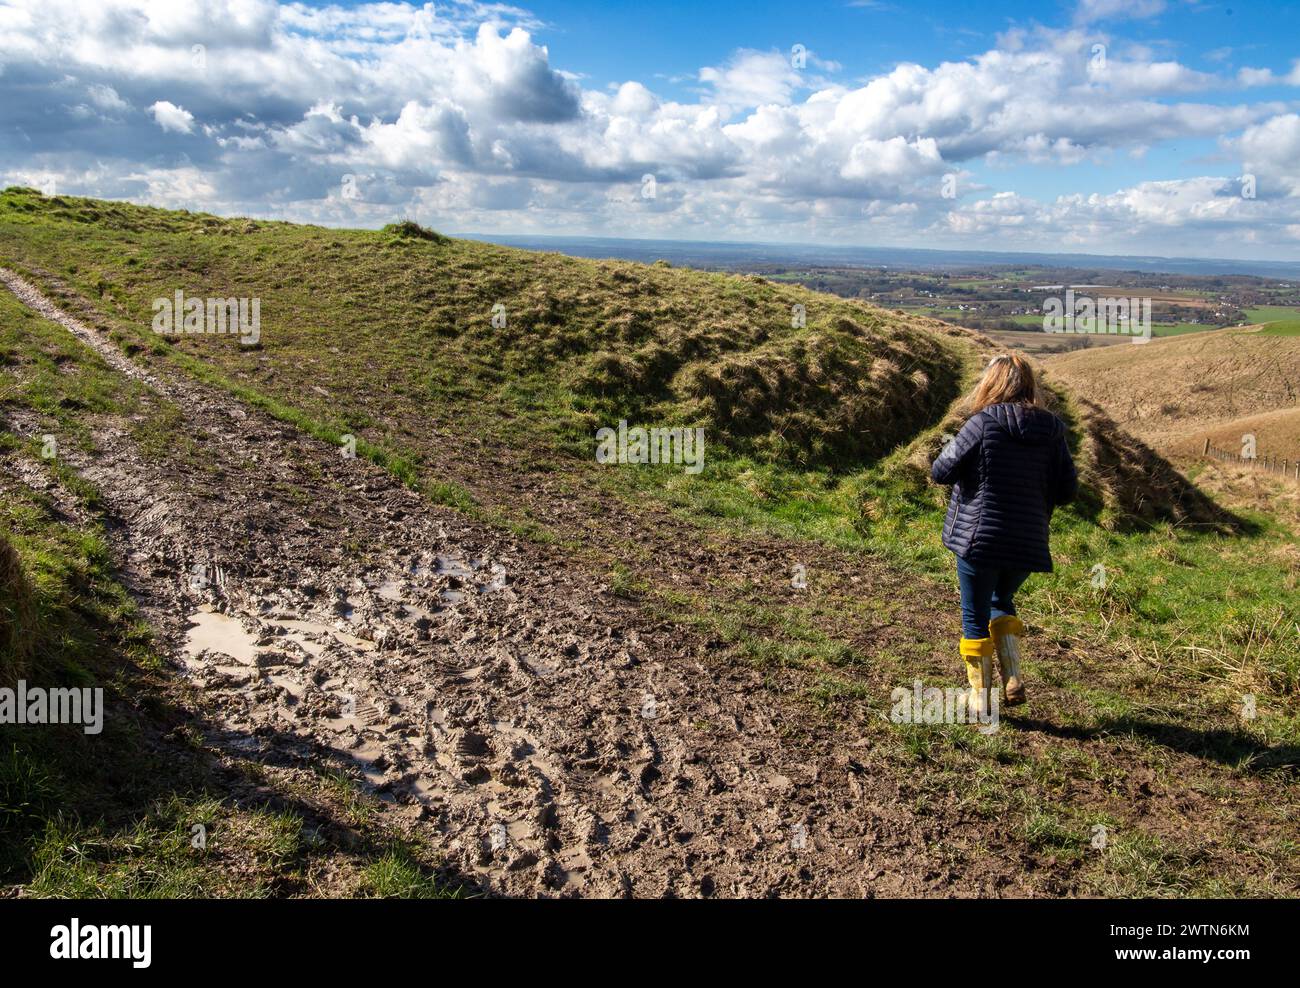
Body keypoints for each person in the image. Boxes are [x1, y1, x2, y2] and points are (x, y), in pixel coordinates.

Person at [930, 353, 1078, 713]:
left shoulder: (982, 423)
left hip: (979, 539)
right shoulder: (1054, 430)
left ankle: (980, 698)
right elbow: (1069, 491)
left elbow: (941, 470)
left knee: (974, 615)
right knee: (1001, 601)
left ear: (991, 383)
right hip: (1027, 544)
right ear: (1029, 385)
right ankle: (1012, 677)